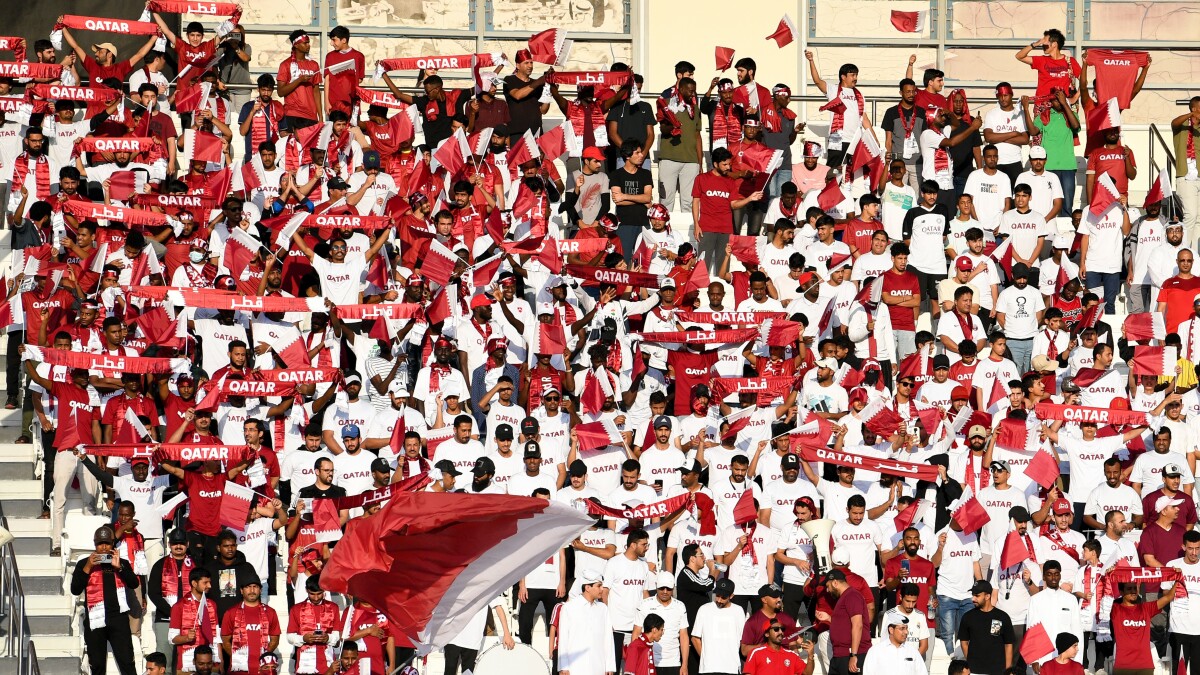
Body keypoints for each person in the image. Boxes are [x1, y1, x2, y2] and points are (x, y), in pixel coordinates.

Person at [73, 525, 141, 675]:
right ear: (95, 544)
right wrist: (88, 567)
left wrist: (119, 568)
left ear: (113, 544)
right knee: (97, 665)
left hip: (118, 619)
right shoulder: (84, 563)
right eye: (100, 543)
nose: (104, 547)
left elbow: (134, 583)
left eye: (107, 543)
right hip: (95, 619)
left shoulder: (121, 562)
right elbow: (75, 589)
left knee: (127, 663)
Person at [558, 569, 617, 675]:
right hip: (575, 667)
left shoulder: (603, 608)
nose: (602, 589)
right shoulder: (569, 607)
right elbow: (563, 638)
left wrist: (609, 666)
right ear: (587, 588)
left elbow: (608, 638)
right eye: (599, 586)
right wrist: (564, 666)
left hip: (598, 666)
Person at [958, 580, 1015, 675]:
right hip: (975, 671)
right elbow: (964, 642)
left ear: (987, 596)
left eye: (977, 595)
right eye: (973, 595)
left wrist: (1007, 670)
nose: (973, 599)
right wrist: (972, 662)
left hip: (998, 671)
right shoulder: (967, 617)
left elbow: (1008, 644)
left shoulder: (1002, 617)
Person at [691, 578, 746, 675]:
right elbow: (695, 638)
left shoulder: (738, 611)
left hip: (731, 668)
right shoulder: (704, 609)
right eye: (717, 595)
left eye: (723, 597)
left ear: (731, 596)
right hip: (708, 669)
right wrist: (706, 659)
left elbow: (743, 639)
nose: (719, 600)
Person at [824, 568, 871, 675]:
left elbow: (857, 624)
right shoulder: (844, 597)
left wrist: (853, 655)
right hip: (839, 655)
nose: (827, 590)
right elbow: (845, 624)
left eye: (828, 586)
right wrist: (829, 618)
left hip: (851, 654)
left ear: (835, 583)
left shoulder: (852, 595)